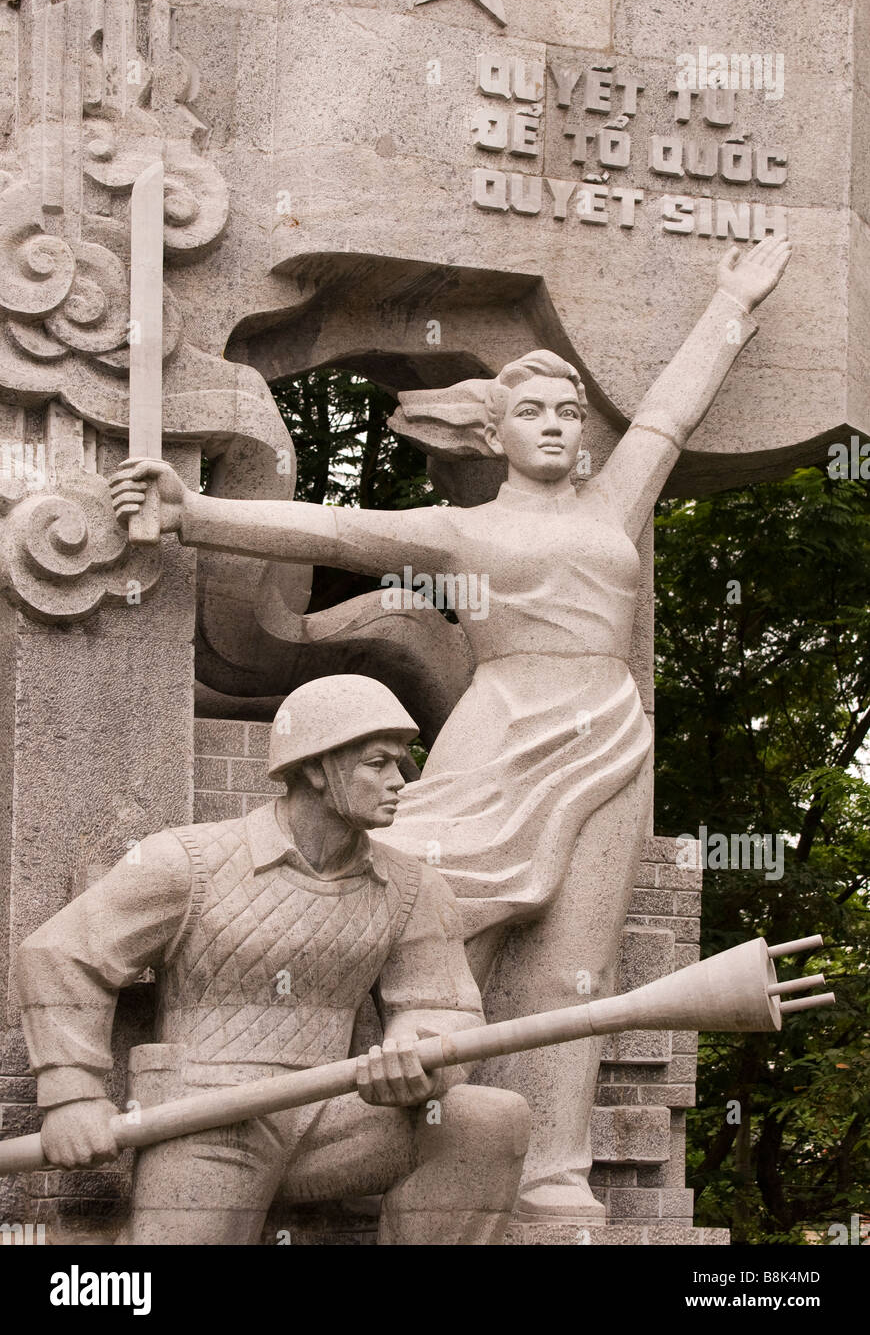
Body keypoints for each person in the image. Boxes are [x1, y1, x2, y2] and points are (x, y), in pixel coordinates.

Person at [108, 234, 792, 1221]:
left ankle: (549, 1177)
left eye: (567, 412)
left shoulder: (614, 504)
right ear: (489, 432)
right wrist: (194, 511)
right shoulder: (461, 531)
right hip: (497, 734)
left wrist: (731, 302)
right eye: (532, 410)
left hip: (608, 738)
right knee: (435, 918)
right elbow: (335, 531)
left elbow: (671, 417)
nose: (556, 424)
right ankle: (370, 1126)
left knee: (570, 966)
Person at [15, 676, 530, 1245]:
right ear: (315, 768)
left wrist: (420, 1053)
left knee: (485, 1120)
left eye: (399, 764)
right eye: (377, 764)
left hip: (337, 1112)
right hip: (208, 1117)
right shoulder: (189, 862)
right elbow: (60, 953)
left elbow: (440, 1003)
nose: (399, 781)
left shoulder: (412, 888)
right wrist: (73, 1096)